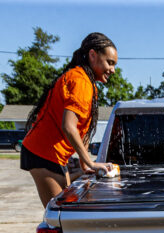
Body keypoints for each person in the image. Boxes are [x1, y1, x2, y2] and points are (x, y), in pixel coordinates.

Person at [20, 32, 118, 207]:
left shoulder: (89, 84)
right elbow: (69, 126)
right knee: (61, 213)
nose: (113, 69)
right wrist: (90, 162)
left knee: (68, 204)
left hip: (54, 156)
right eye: (109, 62)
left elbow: (83, 130)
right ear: (93, 55)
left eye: (114, 64)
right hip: (42, 152)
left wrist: (84, 164)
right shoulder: (80, 81)